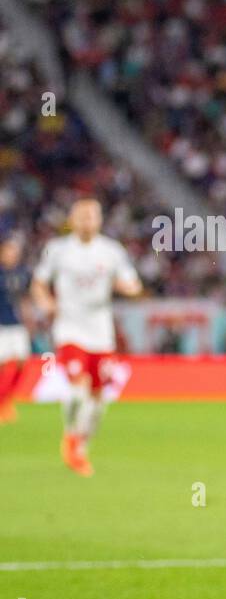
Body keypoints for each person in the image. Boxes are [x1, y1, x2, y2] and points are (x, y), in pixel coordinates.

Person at [30, 199, 143, 475]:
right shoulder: (57, 250)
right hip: (69, 325)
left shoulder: (111, 251)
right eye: (82, 216)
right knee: (78, 387)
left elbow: (133, 284)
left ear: (100, 220)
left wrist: (127, 288)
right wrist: (45, 301)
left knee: (97, 399)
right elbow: (39, 283)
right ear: (72, 219)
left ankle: (80, 446)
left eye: (92, 216)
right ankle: (70, 436)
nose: (87, 221)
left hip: (100, 329)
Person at [0, 236, 31, 423]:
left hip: (17, 325)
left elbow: (24, 299)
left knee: (21, 363)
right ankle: (3, 403)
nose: (12, 255)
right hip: (1, 325)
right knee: (4, 365)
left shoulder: (22, 273)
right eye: (9, 251)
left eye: (15, 252)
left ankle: (6, 400)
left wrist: (29, 318)